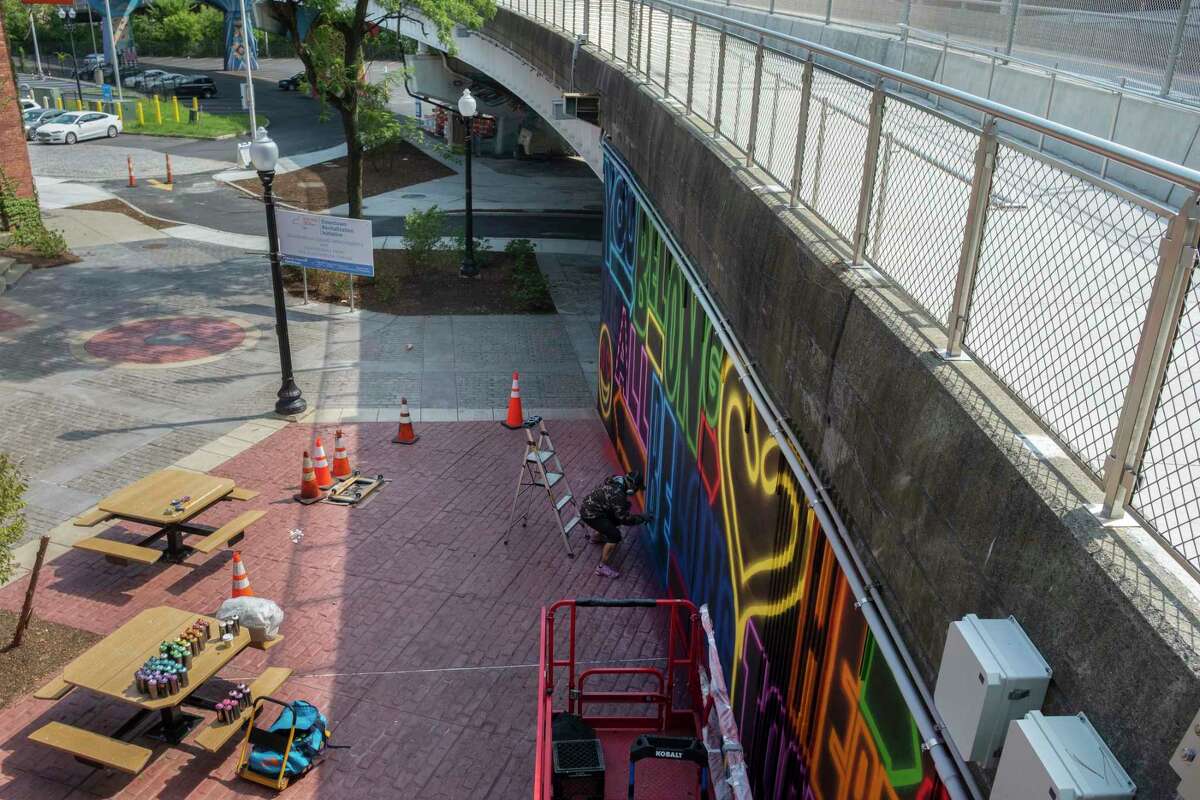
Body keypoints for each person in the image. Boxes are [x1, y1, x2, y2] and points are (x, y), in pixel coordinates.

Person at [580, 470, 652, 579]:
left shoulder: (616, 479)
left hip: (589, 508)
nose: (637, 491)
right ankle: (602, 567)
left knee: (615, 519)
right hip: (591, 515)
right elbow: (625, 519)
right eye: (637, 488)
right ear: (632, 487)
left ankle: (597, 537)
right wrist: (642, 518)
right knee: (615, 536)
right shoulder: (618, 495)